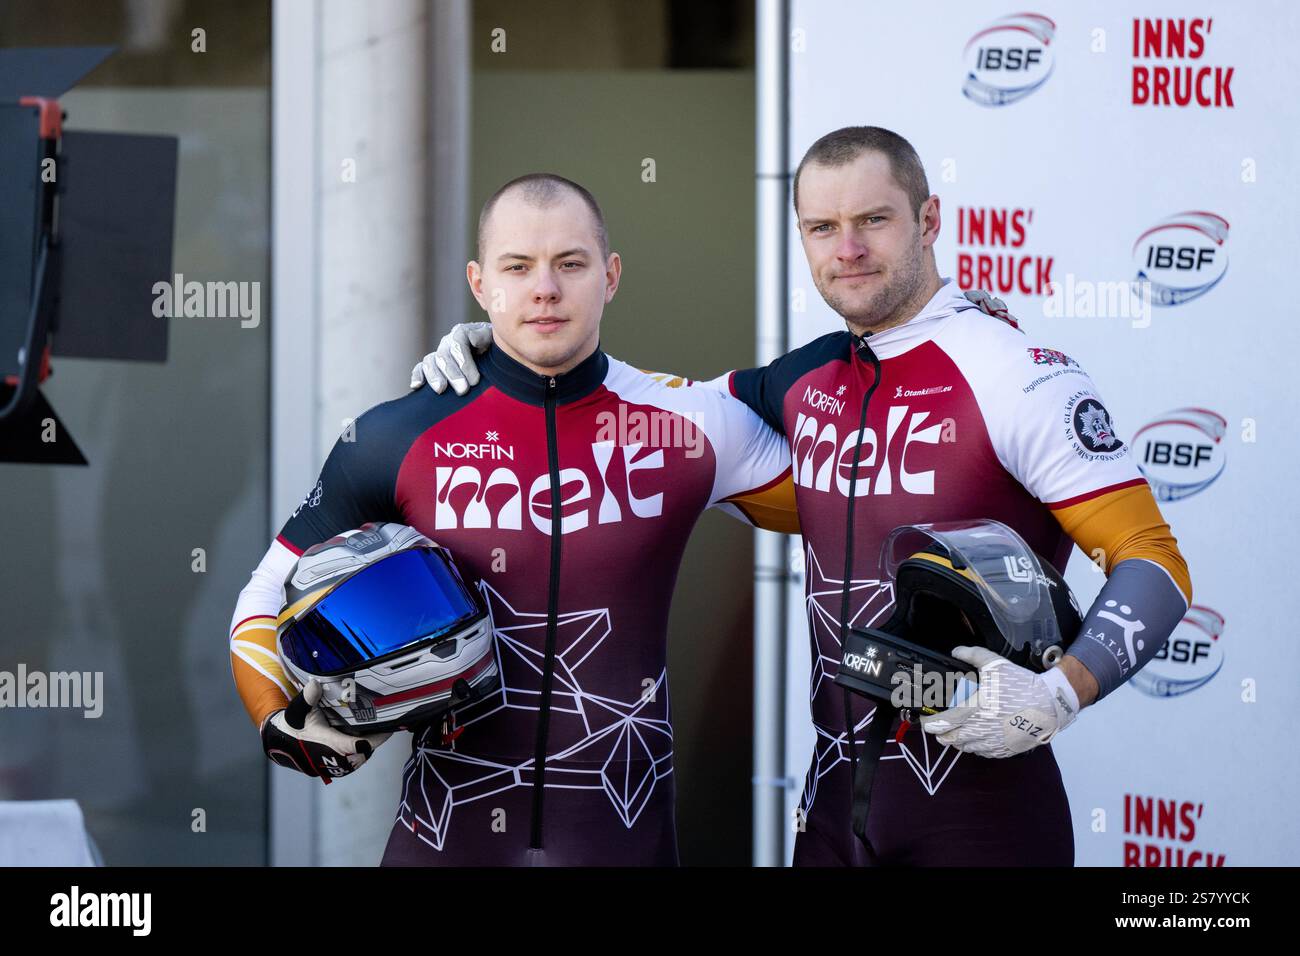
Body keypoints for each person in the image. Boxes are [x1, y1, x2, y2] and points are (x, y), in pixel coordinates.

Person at [413, 127, 1193, 866]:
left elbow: (1152, 562)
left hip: (985, 812)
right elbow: (644, 405)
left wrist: (1063, 690)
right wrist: (507, 356)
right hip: (831, 814)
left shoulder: (1015, 372)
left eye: (873, 221)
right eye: (822, 227)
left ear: (929, 221)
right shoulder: (804, 378)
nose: (847, 249)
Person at [228, 173, 797, 866]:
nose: (545, 289)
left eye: (571, 263)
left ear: (611, 276)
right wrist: (278, 720)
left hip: (625, 845)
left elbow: (860, 498)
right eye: (517, 267)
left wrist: (946, 322)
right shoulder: (396, 432)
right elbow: (264, 594)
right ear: (479, 282)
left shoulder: (692, 424)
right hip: (441, 843)